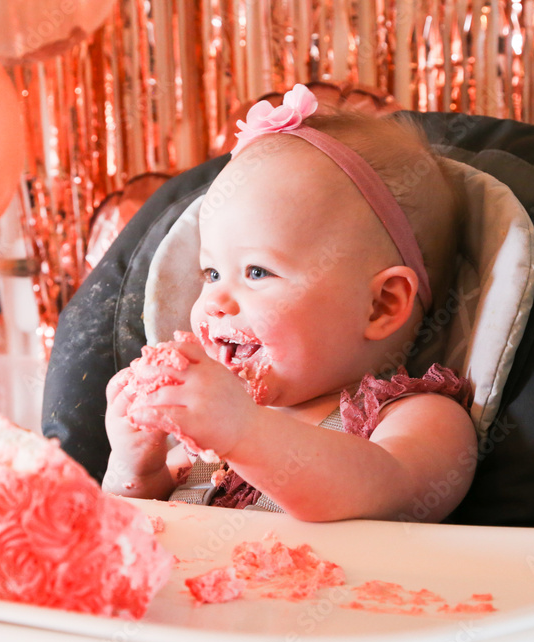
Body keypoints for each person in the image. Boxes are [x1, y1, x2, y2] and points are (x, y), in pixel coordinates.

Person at [101, 84, 477, 522]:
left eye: (257, 272)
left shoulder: (419, 419)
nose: (217, 301)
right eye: (212, 273)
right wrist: (135, 469)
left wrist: (242, 430)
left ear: (381, 305)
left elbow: (385, 491)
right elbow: (132, 532)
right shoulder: (202, 448)